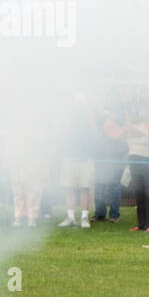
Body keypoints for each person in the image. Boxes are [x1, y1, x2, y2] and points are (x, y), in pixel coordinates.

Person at [125, 105, 149, 232]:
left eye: (145, 110)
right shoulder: (133, 126)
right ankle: (141, 224)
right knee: (139, 193)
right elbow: (126, 136)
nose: (142, 112)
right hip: (134, 161)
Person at [58, 93, 96, 229]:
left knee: (84, 188)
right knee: (68, 188)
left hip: (85, 158)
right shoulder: (68, 117)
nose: (79, 107)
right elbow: (62, 132)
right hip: (69, 157)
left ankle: (84, 218)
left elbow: (94, 134)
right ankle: (70, 217)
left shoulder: (90, 118)